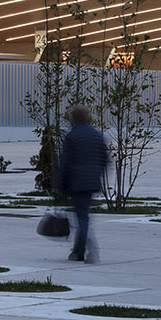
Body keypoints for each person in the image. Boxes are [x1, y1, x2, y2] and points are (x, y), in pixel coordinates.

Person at [53, 102, 110, 263]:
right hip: (92, 181)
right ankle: (78, 250)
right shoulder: (98, 135)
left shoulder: (72, 136)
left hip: (76, 182)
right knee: (82, 215)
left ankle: (86, 251)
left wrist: (59, 185)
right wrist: (97, 173)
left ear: (73, 119)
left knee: (82, 217)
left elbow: (64, 162)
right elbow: (105, 159)